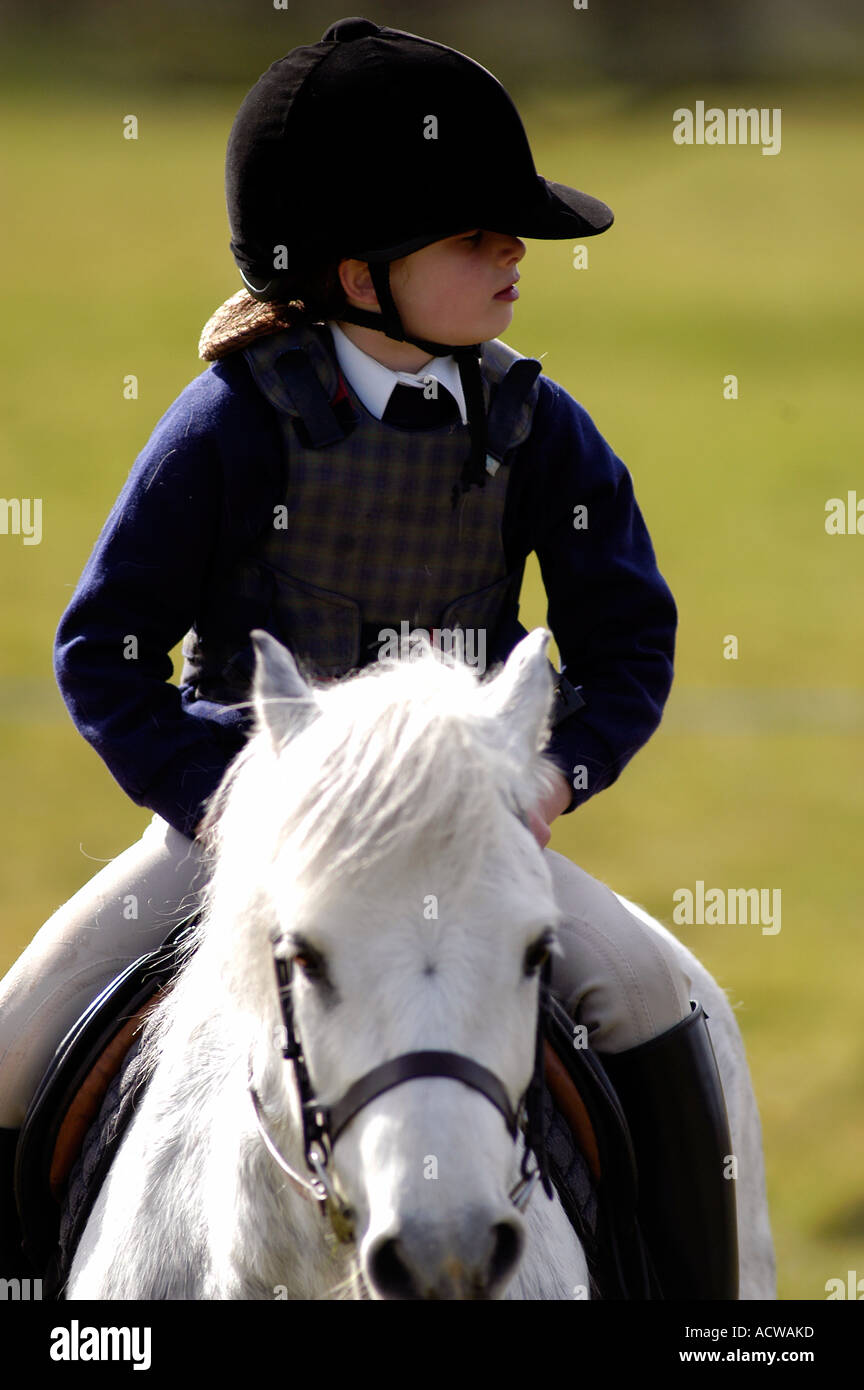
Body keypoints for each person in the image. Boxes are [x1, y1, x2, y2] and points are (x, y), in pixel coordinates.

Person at [0, 18, 737, 1297]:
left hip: (472, 832)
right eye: (474, 236)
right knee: (11, 1043)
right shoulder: (226, 427)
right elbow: (103, 649)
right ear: (355, 276)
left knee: (660, 999)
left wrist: (555, 776)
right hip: (235, 833)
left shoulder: (540, 427)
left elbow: (628, 640)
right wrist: (235, 806)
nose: (515, 253)